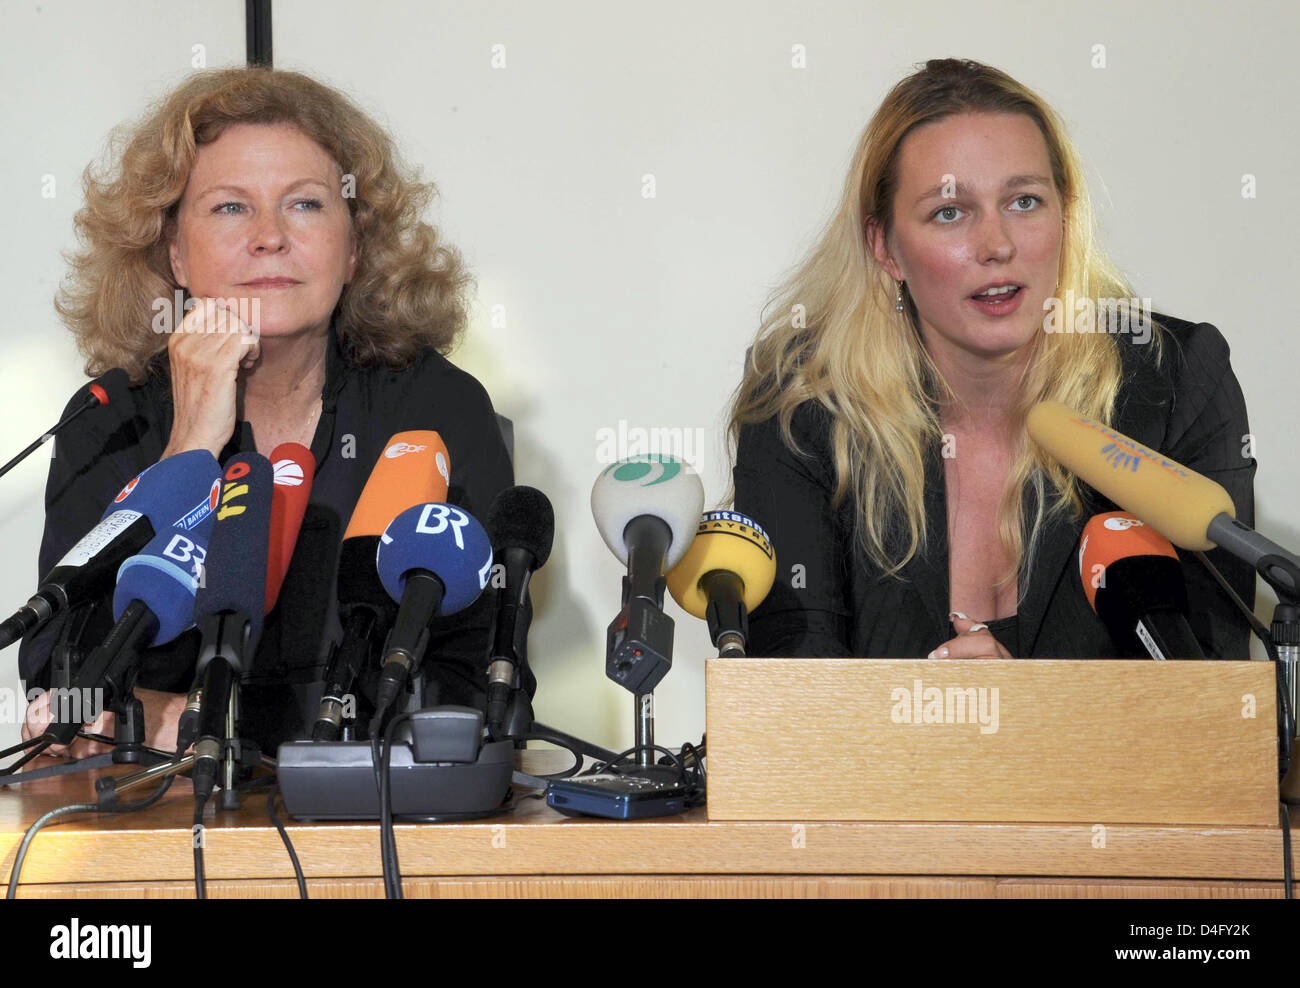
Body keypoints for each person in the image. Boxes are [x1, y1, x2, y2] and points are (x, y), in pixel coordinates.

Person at [18, 66, 513, 759]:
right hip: (158, 819)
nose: (269, 237)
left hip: (377, 817)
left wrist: (192, 727)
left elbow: (475, 690)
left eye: (305, 204)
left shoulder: (437, 408)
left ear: (354, 247)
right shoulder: (111, 419)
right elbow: (63, 686)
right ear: (175, 252)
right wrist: (187, 451)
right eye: (230, 208)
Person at [728, 58, 1255, 662]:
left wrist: (1023, 711)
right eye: (949, 212)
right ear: (885, 247)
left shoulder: (1175, 382)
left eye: (1025, 202)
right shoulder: (802, 402)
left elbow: (1213, 686)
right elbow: (794, 688)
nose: (998, 245)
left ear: (1066, 215)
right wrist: (938, 715)